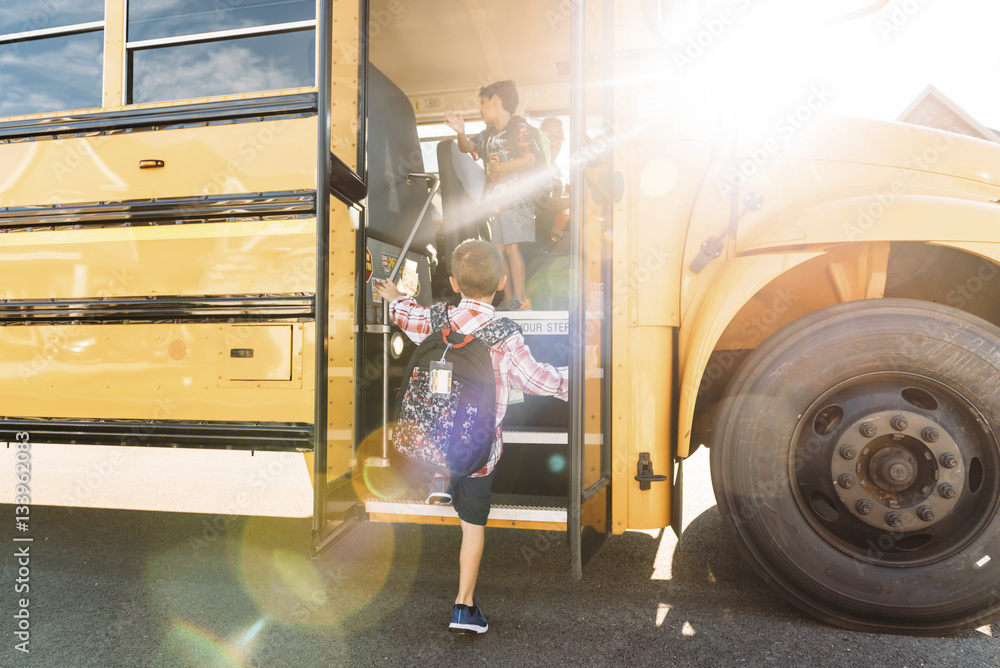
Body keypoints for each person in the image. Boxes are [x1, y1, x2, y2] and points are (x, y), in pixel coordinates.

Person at [375, 239, 568, 634]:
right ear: (501, 282)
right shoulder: (504, 333)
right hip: (480, 452)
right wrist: (574, 379)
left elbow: (406, 313)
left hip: (429, 440)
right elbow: (535, 380)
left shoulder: (439, 317)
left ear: (453, 282)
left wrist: (394, 296)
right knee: (473, 526)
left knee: (441, 424)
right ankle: (463, 606)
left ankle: (439, 475)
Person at [444, 80, 541, 311]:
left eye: (483, 103)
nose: (480, 108)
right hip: (498, 203)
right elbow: (467, 148)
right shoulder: (488, 134)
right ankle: (509, 299)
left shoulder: (520, 129)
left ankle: (521, 297)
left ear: (495, 100)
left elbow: (530, 159)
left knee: (512, 248)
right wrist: (461, 133)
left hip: (519, 201)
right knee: (498, 252)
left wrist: (500, 169)